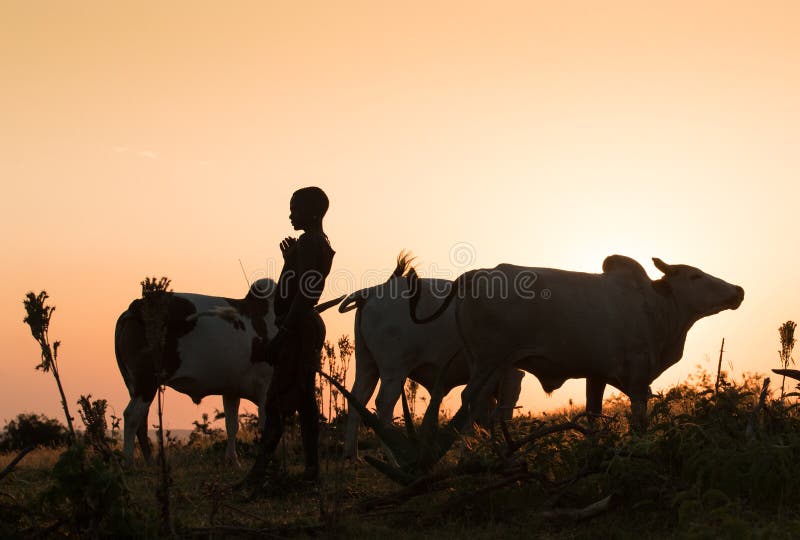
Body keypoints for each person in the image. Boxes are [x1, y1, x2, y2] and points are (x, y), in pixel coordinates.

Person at [245, 186, 334, 486]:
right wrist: (289, 260)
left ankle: (259, 473)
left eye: (294, 208)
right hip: (301, 326)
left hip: (297, 329)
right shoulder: (314, 243)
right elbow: (301, 283)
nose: (290, 214)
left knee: (277, 401)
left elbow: (306, 292)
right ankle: (312, 471)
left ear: (310, 212)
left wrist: (282, 334)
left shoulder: (310, 243)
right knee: (305, 401)